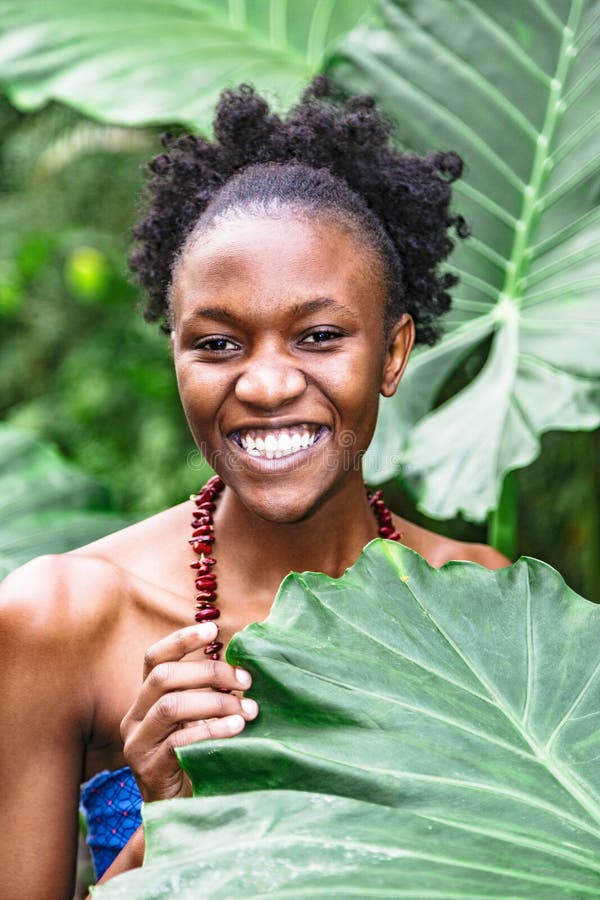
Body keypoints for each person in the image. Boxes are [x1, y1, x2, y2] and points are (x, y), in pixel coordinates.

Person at [0, 77, 509, 899]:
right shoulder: (64, 619)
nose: (267, 384)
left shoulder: (477, 603)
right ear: (176, 357)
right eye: (217, 343)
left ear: (393, 352)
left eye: (318, 336)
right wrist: (173, 830)